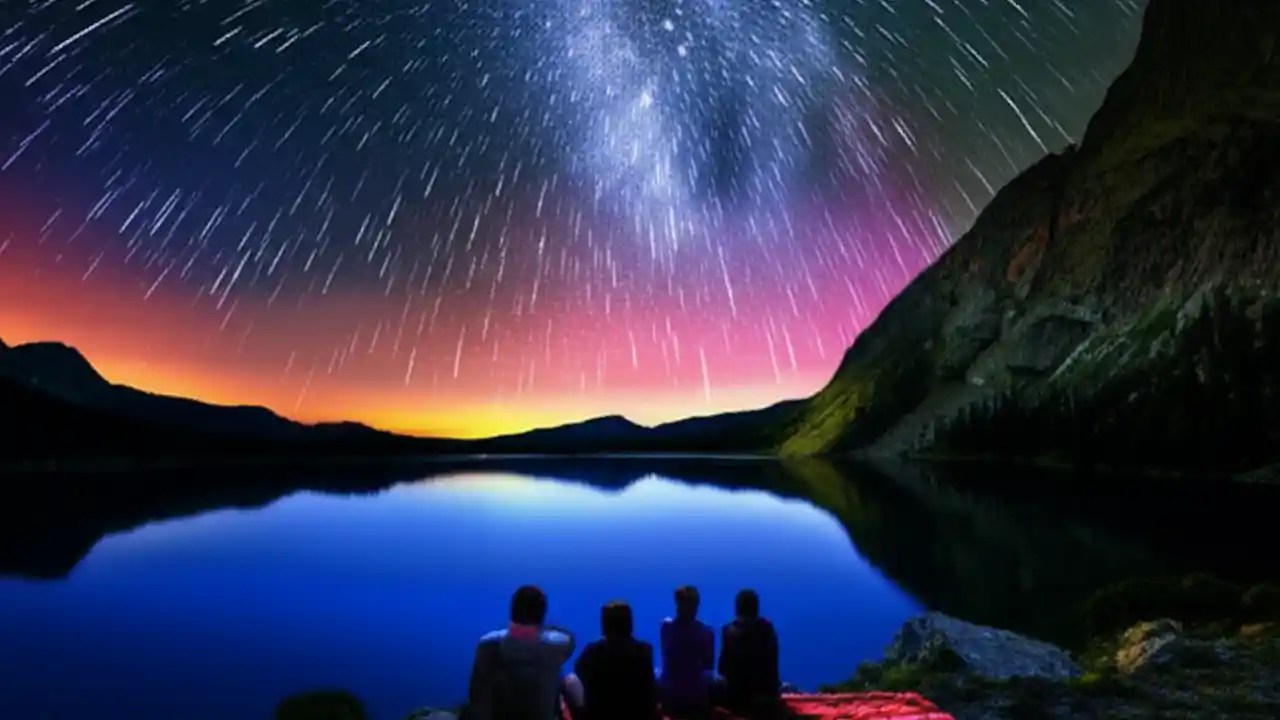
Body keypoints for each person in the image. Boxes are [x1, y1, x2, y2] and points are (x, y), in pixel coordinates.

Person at [466, 585, 576, 720]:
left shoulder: (487, 644)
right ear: (542, 614)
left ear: (512, 610)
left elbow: (475, 693)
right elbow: (568, 637)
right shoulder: (557, 645)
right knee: (567, 677)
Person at [565, 601, 658, 720]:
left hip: (599, 714)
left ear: (605, 624)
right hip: (638, 714)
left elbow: (579, 671)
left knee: (570, 680)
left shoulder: (593, 651)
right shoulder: (645, 650)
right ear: (630, 623)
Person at [718, 589, 781, 717]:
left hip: (735, 698)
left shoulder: (728, 631)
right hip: (764, 696)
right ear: (756, 609)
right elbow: (773, 664)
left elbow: (722, 668)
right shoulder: (767, 630)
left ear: (737, 609)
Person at [659, 585, 715, 717]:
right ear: (696, 607)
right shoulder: (706, 632)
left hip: (671, 694)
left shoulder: (666, 628)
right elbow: (709, 666)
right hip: (696, 696)